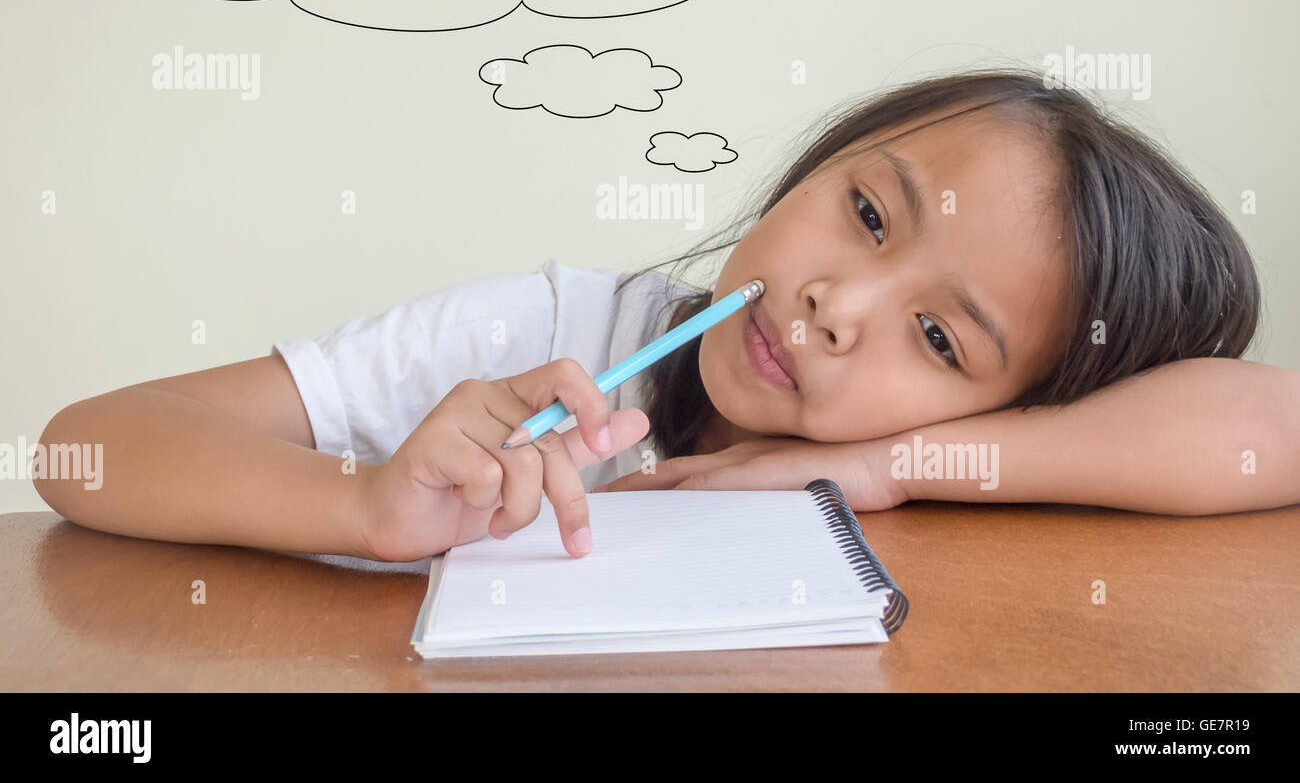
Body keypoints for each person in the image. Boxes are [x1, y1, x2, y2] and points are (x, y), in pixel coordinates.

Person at [36, 68, 1300, 564]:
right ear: (818, 163)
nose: (834, 304)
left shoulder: (981, 484)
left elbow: (1274, 421)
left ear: (1016, 405)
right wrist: (360, 509)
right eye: (866, 214)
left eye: (938, 338)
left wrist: (886, 468)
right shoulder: (548, 338)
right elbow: (86, 446)